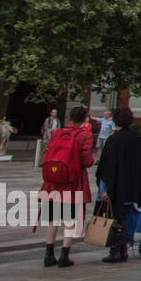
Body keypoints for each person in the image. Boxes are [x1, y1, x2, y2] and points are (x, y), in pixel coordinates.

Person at [40, 105, 95, 268]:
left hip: (54, 181)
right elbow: (87, 160)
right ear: (84, 119)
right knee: (70, 219)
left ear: (69, 117)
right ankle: (65, 254)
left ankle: (49, 254)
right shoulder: (85, 135)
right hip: (73, 182)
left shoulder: (57, 133)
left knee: (52, 218)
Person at [96, 106, 141, 263]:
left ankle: (116, 250)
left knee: (116, 217)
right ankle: (123, 249)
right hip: (133, 187)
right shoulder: (139, 138)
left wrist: (104, 188)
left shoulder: (113, 140)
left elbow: (106, 167)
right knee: (126, 216)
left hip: (117, 187)